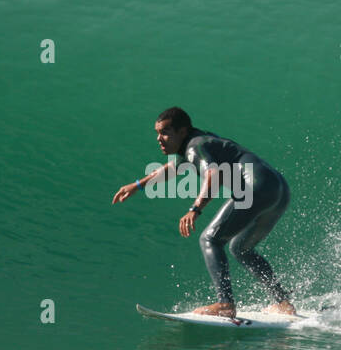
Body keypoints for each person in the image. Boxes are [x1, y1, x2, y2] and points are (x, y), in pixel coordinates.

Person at [113, 107, 296, 319]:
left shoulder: (194, 147)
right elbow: (173, 168)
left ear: (182, 131)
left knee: (210, 239)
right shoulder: (200, 141)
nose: (159, 139)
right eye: (157, 133)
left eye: (164, 132)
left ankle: (225, 304)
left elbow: (214, 174)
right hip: (278, 189)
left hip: (255, 188)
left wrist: (195, 209)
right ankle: (283, 302)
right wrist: (138, 185)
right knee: (240, 248)